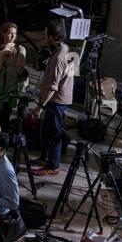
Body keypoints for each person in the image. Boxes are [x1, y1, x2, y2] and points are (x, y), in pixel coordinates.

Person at [34, 20, 74, 176]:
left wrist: (39, 107)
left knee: (54, 134)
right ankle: (45, 158)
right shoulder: (64, 48)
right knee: (47, 131)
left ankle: (53, 166)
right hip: (59, 98)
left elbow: (53, 87)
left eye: (45, 34)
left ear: (52, 36)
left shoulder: (58, 58)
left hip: (56, 100)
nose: (44, 36)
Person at [0, 22, 27, 131]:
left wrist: (2, 70)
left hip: (9, 88)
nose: (13, 36)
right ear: (3, 34)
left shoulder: (20, 50)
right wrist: (2, 54)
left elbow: (19, 71)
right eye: (10, 33)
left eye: (15, 34)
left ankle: (1, 143)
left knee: (4, 119)